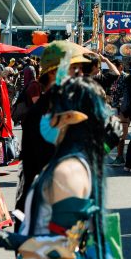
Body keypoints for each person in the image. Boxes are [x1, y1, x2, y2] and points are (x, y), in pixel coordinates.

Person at [0, 74, 122, 259]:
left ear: (69, 117)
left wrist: (6, 239)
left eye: (52, 110)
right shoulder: (69, 161)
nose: (46, 116)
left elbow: (63, 248)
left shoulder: (68, 171)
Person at [18, 41, 89, 210]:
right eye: (73, 69)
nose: (79, 75)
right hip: (47, 207)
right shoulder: (45, 110)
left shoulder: (65, 103)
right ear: (53, 73)